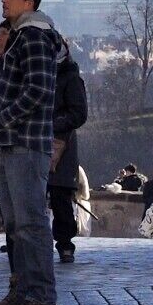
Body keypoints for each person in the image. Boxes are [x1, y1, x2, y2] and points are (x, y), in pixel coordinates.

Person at [0, 0, 63, 305]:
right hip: (11, 143)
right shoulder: (19, 37)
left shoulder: (34, 36)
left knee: (30, 225)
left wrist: (3, 121)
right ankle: (22, 289)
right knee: (16, 226)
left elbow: (39, 90)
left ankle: (40, 295)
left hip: (25, 143)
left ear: (28, 3)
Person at [49, 38, 90, 264]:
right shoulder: (40, 73)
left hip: (61, 145)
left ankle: (65, 244)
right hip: (37, 140)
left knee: (60, 197)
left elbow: (79, 113)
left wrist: (54, 124)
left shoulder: (71, 78)